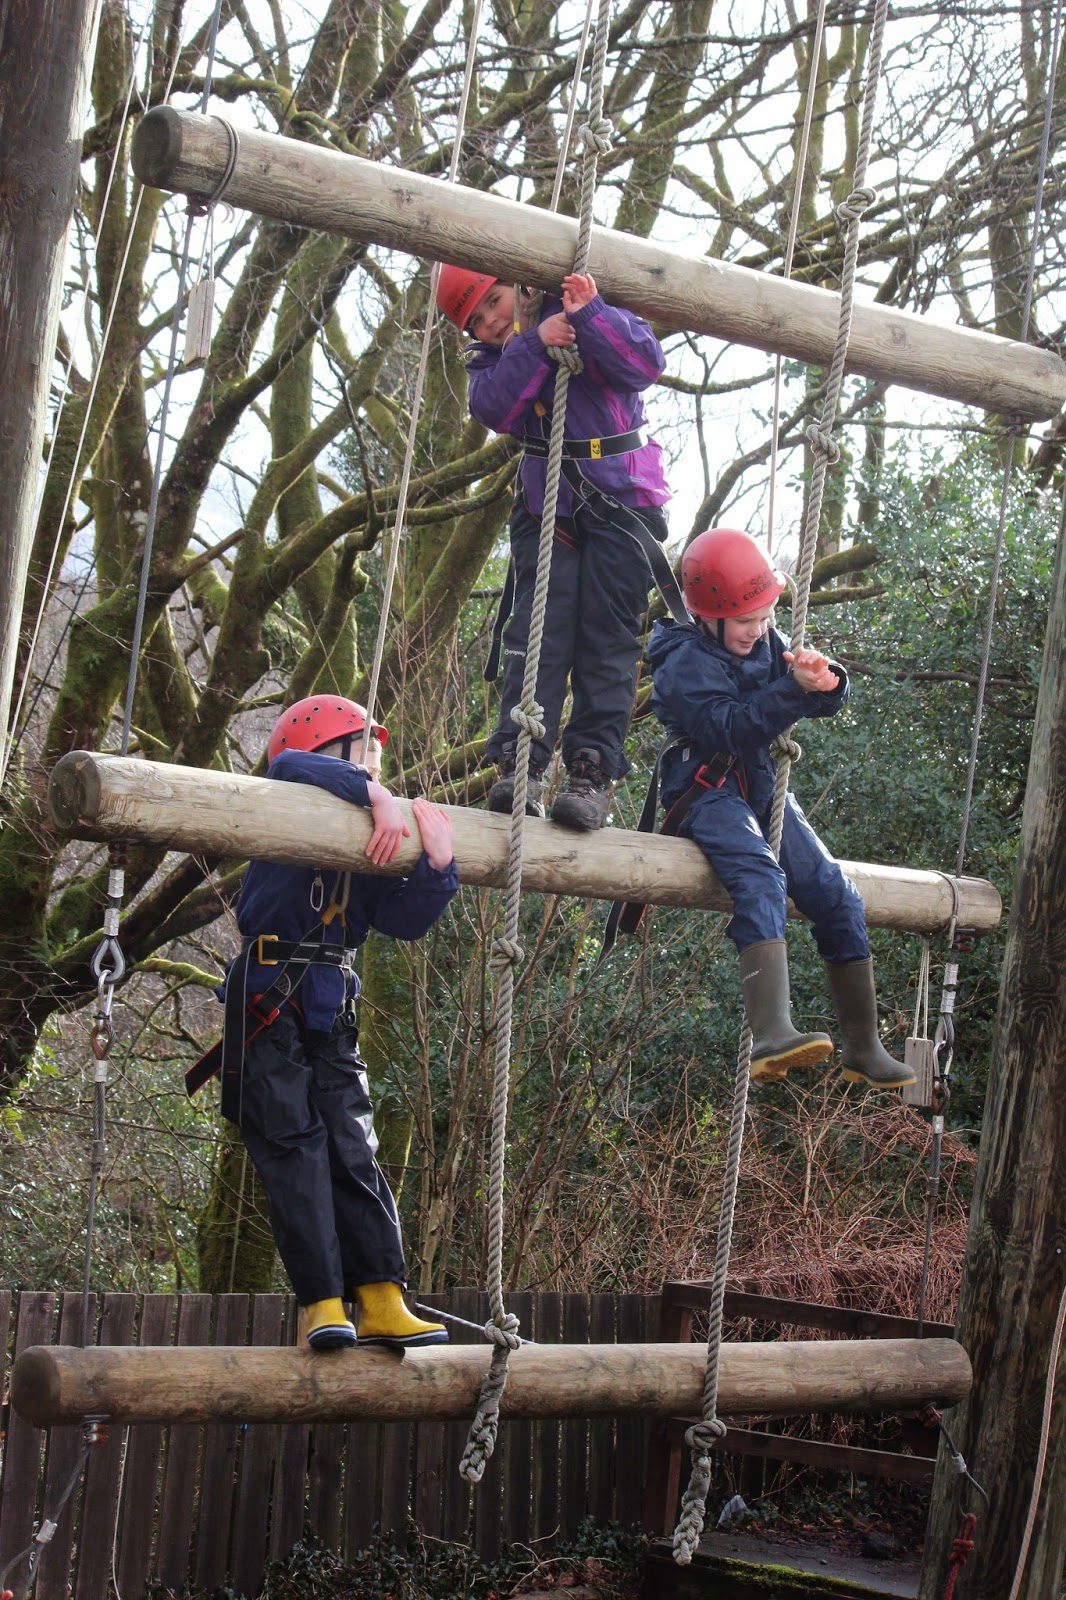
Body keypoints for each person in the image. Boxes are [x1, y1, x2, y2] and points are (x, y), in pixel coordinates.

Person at [217, 694, 460, 1350]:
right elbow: (289, 763)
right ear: (333, 755)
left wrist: (437, 868)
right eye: (365, 762)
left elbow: (399, 920)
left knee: (354, 1147)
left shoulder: (370, 830)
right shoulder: (290, 791)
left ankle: (380, 1295)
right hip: (271, 988)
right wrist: (372, 795)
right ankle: (323, 1303)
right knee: (294, 1147)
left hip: (329, 994)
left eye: (378, 769)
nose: (377, 776)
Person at [646, 527, 914, 1089]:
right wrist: (792, 690)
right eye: (747, 621)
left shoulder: (763, 641)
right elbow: (733, 726)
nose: (760, 630)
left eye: (766, 617)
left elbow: (800, 696)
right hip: (706, 789)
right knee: (761, 878)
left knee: (835, 893)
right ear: (710, 617)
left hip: (760, 786)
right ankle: (770, 1032)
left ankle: (863, 1045)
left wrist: (825, 681)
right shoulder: (682, 661)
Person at [437, 263, 673, 831]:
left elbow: (644, 364)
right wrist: (536, 347)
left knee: (607, 641)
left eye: (495, 300)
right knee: (538, 631)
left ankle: (590, 771)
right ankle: (522, 762)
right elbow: (497, 410)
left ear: (517, 285)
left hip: (621, 499)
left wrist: (588, 315)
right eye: (478, 319)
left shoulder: (579, 311)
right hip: (549, 507)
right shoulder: (494, 364)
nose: (493, 321)